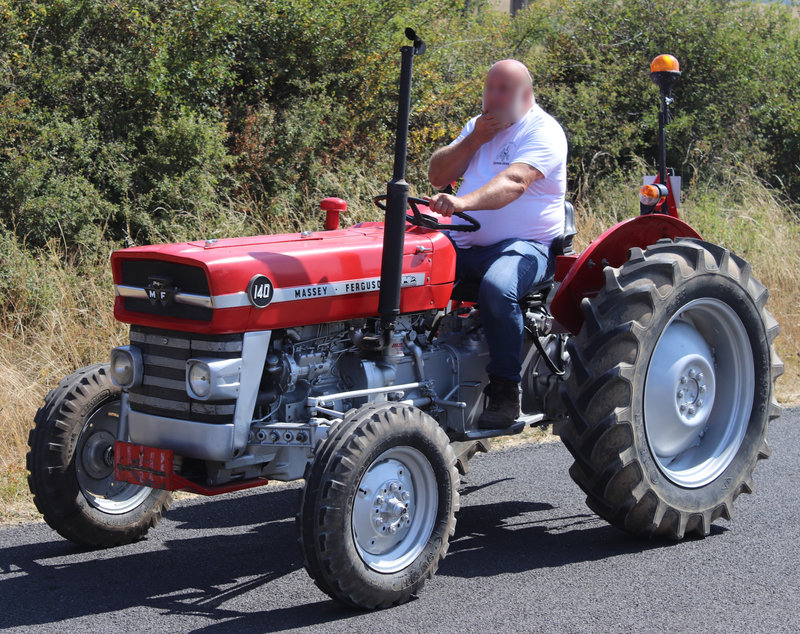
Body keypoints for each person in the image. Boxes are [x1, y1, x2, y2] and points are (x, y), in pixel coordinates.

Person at [426, 59, 568, 429]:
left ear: (526, 94)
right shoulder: (477, 127)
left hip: (527, 247)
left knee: (498, 286)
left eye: (503, 90)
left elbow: (515, 182)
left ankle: (505, 390)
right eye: (489, 88)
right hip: (465, 243)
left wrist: (462, 203)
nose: (493, 97)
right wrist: (474, 139)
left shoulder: (544, 131)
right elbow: (438, 175)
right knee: (409, 265)